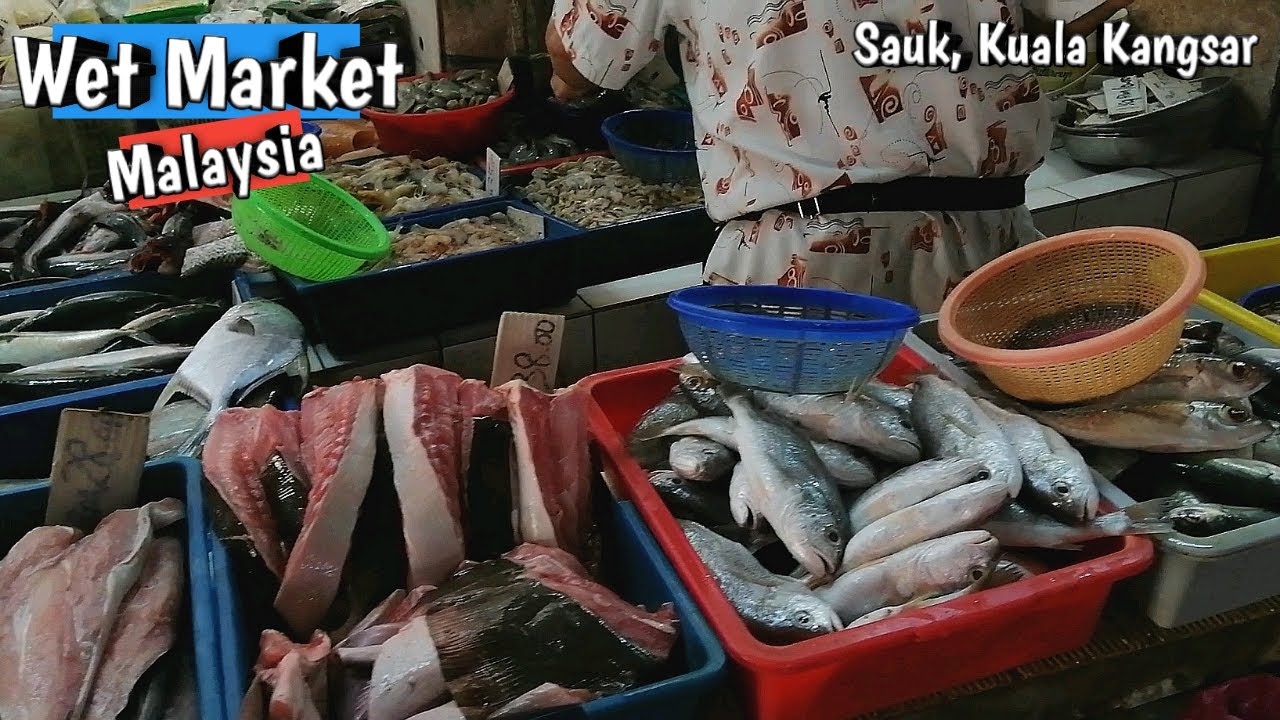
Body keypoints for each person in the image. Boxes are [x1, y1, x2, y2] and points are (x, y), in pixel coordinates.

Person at [546, 0, 1135, 312]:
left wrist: (568, 83)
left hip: (802, 257)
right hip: (985, 236)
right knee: (990, 500)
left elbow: (580, 60)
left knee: (797, 518)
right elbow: (1081, 14)